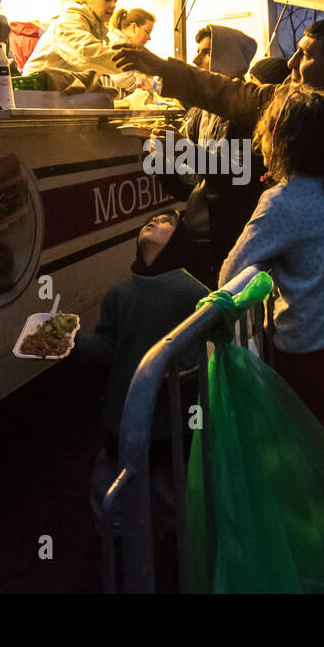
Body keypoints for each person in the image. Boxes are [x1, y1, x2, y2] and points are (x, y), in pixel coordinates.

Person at [115, 17, 324, 567]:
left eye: (307, 53)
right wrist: (162, 69)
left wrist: (308, 224)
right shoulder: (301, 103)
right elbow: (233, 93)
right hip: (320, 313)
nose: (294, 61)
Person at [218, 86, 324, 438]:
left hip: (310, 357)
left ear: (280, 140)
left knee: (311, 452)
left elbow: (230, 273)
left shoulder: (281, 201)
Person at [77, 211, 208, 555]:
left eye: (167, 221)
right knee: (110, 493)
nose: (153, 221)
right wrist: (70, 342)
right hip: (122, 425)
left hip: (170, 427)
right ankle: (118, 553)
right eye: (151, 219)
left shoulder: (192, 291)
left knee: (172, 499)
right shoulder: (119, 293)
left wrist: (185, 371)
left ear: (179, 240)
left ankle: (176, 557)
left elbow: (205, 348)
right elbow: (107, 348)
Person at [151, 25, 259, 287]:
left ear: (229, 58)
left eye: (206, 52)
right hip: (200, 234)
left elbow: (240, 177)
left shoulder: (247, 111)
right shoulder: (200, 112)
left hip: (233, 236)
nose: (196, 60)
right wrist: (158, 158)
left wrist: (183, 150)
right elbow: (192, 186)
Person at [23, 0, 122, 81]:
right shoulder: (69, 21)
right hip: (36, 87)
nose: (113, 5)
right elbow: (87, 54)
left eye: (115, 1)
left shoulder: (92, 26)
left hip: (55, 86)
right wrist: (133, 63)